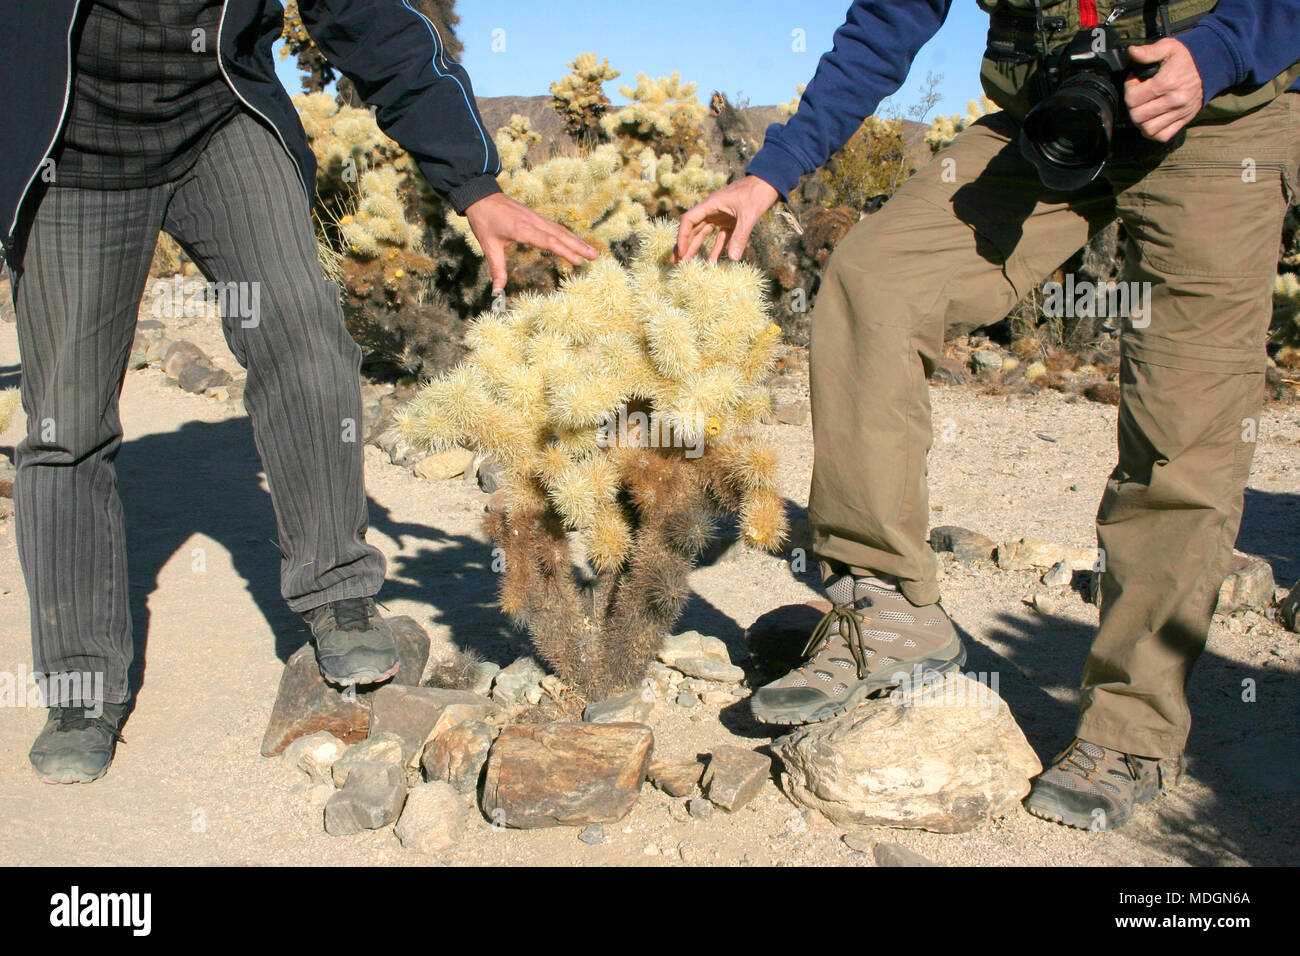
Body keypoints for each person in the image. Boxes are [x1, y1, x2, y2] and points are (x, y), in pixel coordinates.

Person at [675, 0, 1300, 831]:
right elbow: (886, 22)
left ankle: (1132, 729)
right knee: (877, 282)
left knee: (1184, 431)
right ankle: (890, 607)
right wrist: (768, 173)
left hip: (1219, 123)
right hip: (1046, 118)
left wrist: (1216, 52)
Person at [0, 0, 597, 784]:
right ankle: (81, 686)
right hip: (67, 146)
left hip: (222, 118)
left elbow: (366, 15)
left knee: (304, 335)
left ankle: (337, 592)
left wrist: (472, 178)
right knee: (64, 422)